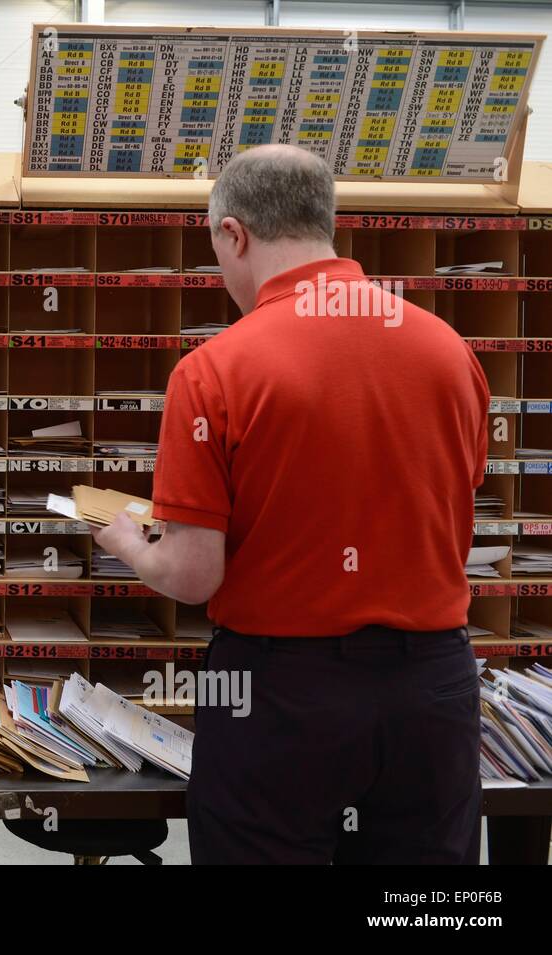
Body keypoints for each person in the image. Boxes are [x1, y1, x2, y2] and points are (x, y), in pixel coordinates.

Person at [92, 144, 489, 864]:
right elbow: (450, 502)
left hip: (279, 697)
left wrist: (123, 538)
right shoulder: (449, 351)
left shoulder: (213, 370)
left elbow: (193, 574)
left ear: (234, 234)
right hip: (434, 688)